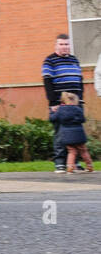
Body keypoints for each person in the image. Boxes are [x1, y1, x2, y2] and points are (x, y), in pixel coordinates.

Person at [43, 34, 84, 172]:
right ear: (56, 46)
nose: (64, 47)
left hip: (76, 104)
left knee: (76, 133)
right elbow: (48, 83)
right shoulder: (50, 61)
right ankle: (60, 163)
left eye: (66, 44)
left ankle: (74, 163)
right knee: (60, 133)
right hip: (60, 104)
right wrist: (53, 102)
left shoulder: (74, 60)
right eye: (61, 44)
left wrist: (81, 100)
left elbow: (80, 82)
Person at [54, 91, 94, 173]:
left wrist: (53, 111)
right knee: (83, 150)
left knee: (71, 152)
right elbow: (83, 120)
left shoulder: (60, 110)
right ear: (75, 100)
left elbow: (53, 118)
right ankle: (89, 166)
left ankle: (70, 168)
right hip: (79, 134)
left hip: (67, 135)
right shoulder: (78, 109)